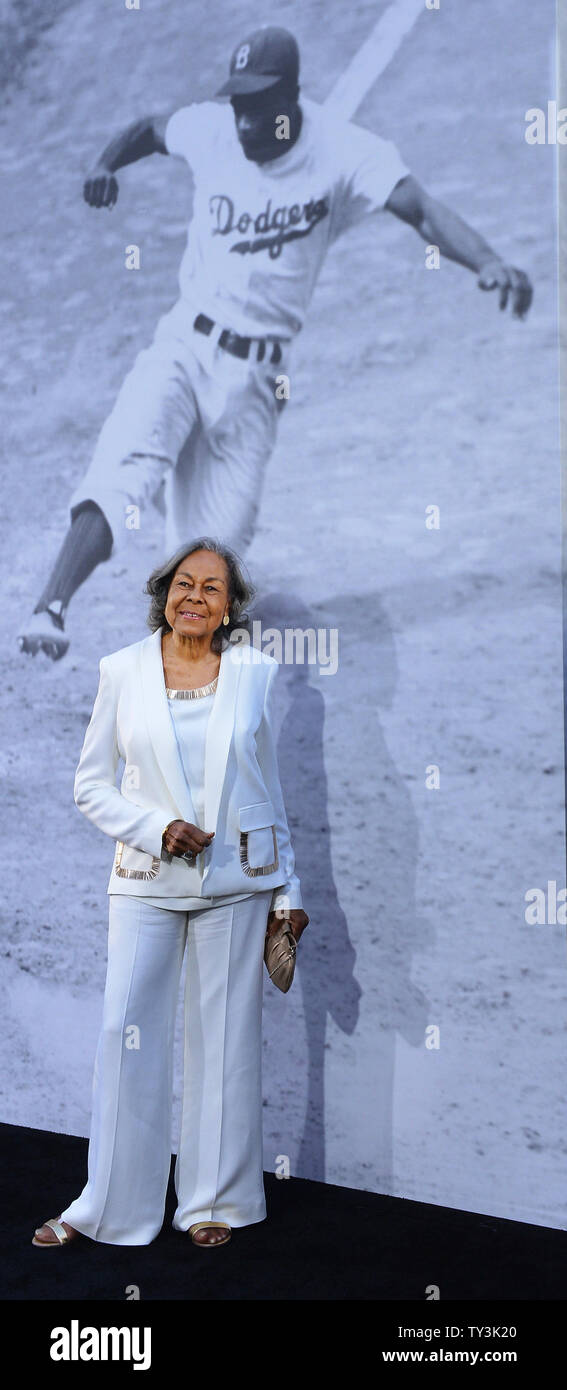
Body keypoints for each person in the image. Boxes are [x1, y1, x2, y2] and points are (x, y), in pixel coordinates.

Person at [19, 23, 533, 661]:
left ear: (292, 98)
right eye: (237, 107)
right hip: (184, 346)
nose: (244, 124)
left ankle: (179, 679)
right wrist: (103, 164)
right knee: (123, 464)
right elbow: (151, 130)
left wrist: (486, 260)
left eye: (258, 109)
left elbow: (420, 209)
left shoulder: (344, 151)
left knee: (212, 557)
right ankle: (52, 606)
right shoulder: (212, 129)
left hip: (259, 385)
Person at [32, 537, 309, 1248]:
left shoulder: (254, 674)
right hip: (146, 880)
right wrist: (158, 828)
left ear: (227, 609)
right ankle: (108, 1208)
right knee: (125, 1037)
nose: (194, 597)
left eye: (211, 589)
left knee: (223, 1044)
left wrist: (289, 892)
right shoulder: (121, 669)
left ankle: (211, 1204)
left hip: (237, 886)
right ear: (165, 594)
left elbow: (268, 792)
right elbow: (90, 785)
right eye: (184, 584)